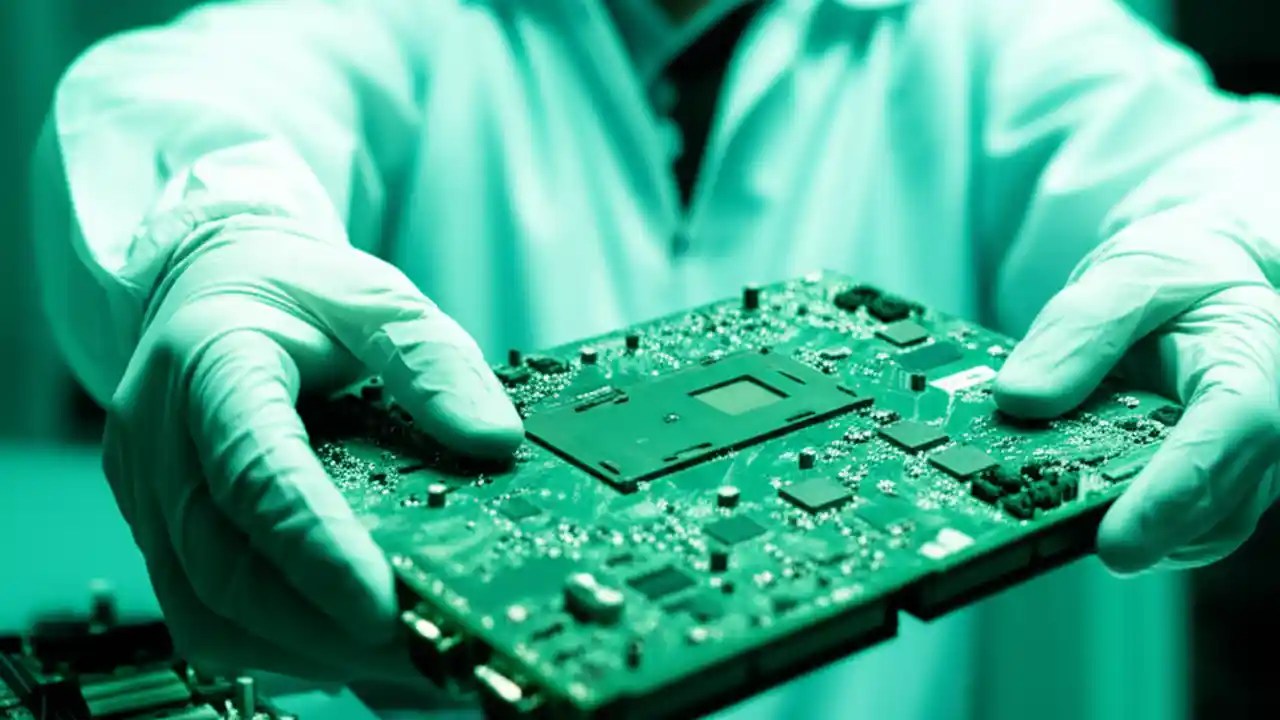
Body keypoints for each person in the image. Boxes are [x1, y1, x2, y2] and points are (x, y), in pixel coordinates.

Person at [28, 0, 1280, 717]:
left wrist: (1232, 243)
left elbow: (1220, 149)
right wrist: (216, 242)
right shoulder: (391, 20)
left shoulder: (983, 32)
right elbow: (172, 89)